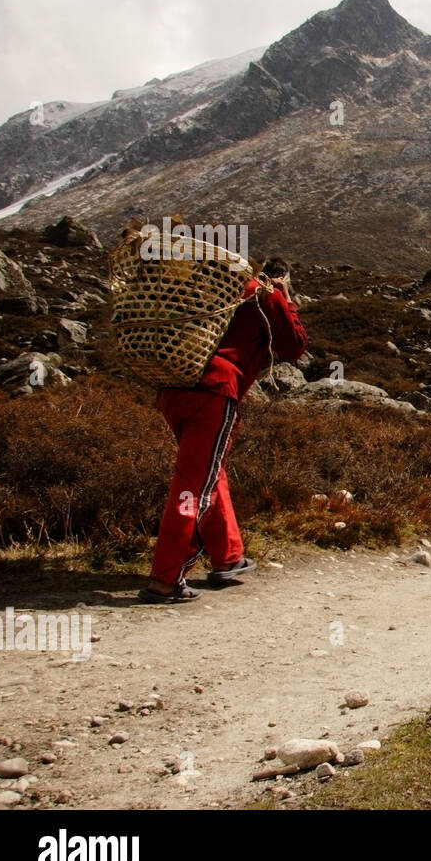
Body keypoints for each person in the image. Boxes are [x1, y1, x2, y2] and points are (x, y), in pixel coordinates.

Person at [139, 257, 308, 603]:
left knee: (205, 472)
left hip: (173, 388)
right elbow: (294, 346)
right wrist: (284, 296)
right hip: (214, 390)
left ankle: (228, 557)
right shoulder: (264, 293)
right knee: (194, 485)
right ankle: (166, 578)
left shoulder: (209, 291)